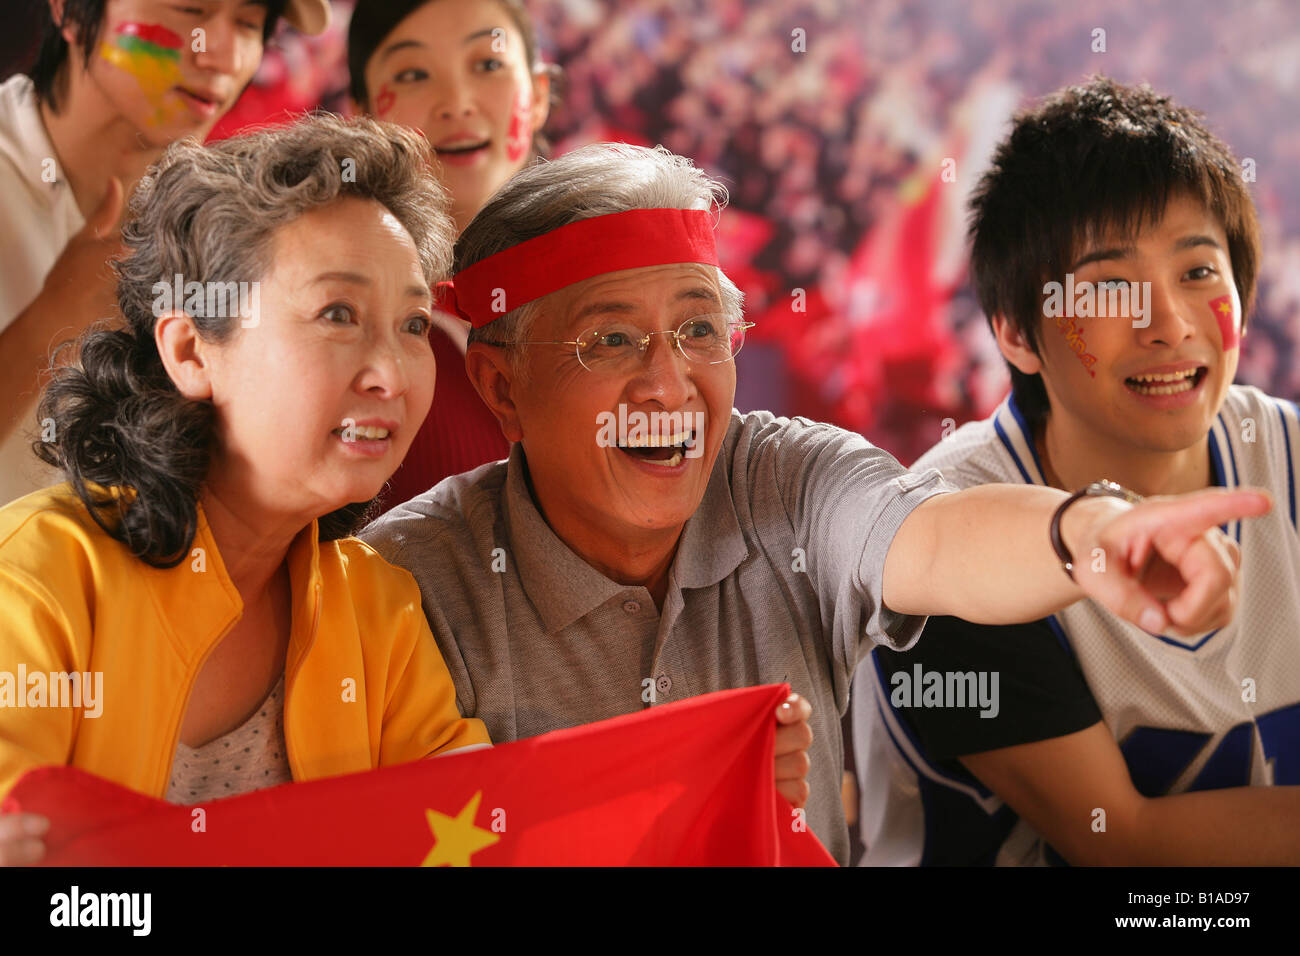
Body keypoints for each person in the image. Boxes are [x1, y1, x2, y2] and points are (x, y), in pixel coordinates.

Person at [359, 140, 1268, 865]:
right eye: (612, 341)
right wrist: (675, 788)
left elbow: (932, 539)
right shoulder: (411, 583)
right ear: (501, 386)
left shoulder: (783, 482)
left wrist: (1093, 536)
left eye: (699, 330)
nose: (670, 387)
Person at [0, 113, 488, 866]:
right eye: (338, 314)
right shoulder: (34, 581)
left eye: (414, 324)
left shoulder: (379, 610)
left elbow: (469, 837)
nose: (391, 373)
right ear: (192, 351)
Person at [854, 77, 1300, 866]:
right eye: (1110, 286)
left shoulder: (1289, 456)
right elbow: (1127, 848)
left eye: (1198, 272)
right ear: (1018, 333)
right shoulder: (951, 535)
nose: (1169, 325)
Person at [0, 0, 331, 504]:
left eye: (248, 23)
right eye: (188, 8)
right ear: (69, 12)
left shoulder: (231, 226)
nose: (221, 53)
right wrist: (56, 316)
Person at [348, 0, 558, 502]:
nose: (457, 103)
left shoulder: (616, 286)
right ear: (362, 116)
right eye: (414, 73)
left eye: (488, 65)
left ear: (540, 93)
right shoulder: (335, 317)